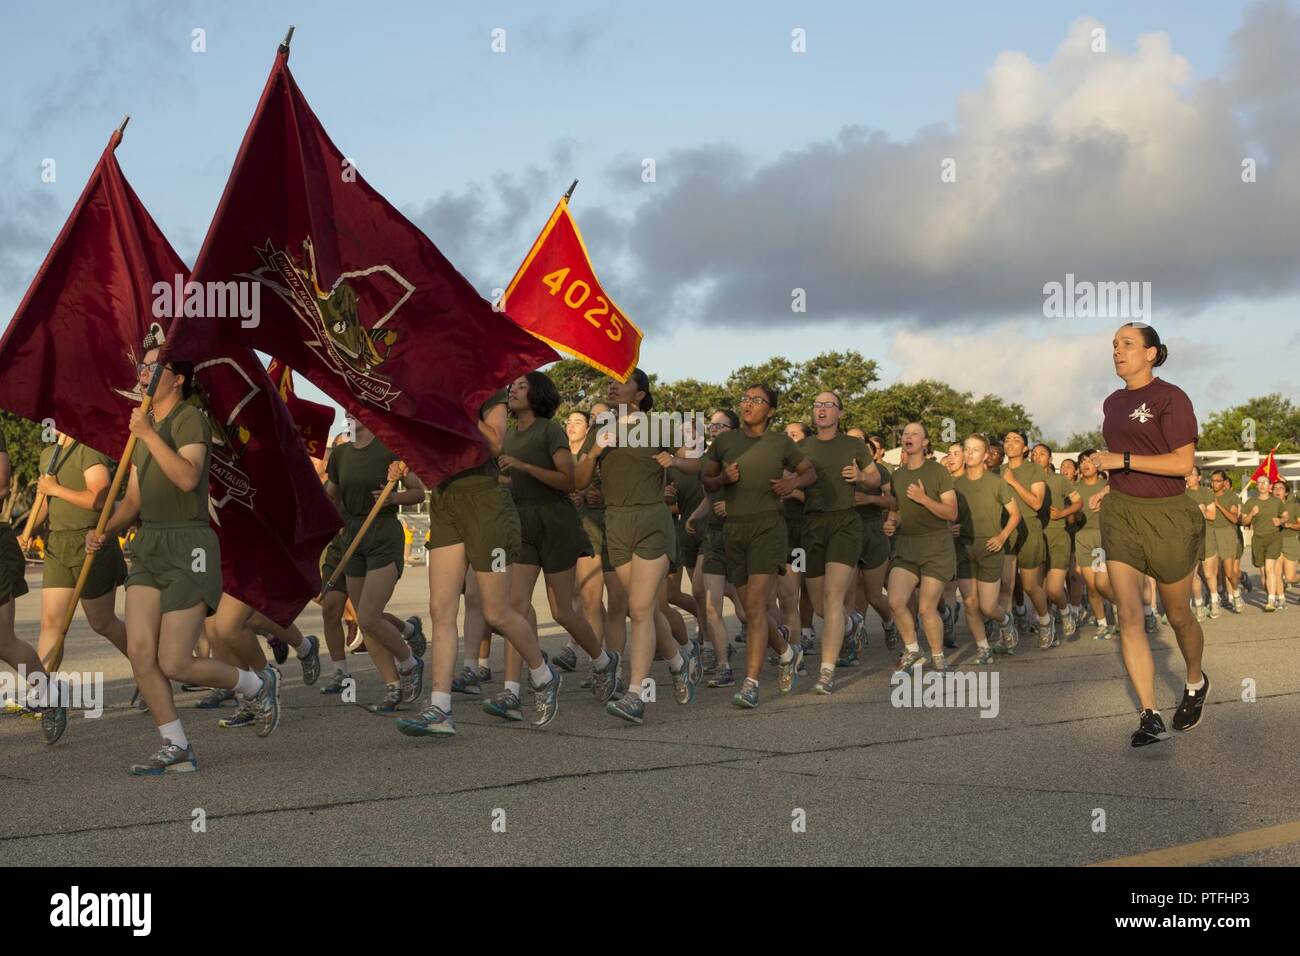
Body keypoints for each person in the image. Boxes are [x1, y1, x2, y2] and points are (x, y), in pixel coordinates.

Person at [87, 348, 279, 774]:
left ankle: (255, 682)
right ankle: (176, 746)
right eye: (143, 365)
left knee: (175, 662)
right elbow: (134, 498)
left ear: (178, 380)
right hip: (149, 542)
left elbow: (189, 476)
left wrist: (150, 436)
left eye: (156, 366)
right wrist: (106, 529)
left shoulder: (190, 418)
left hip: (188, 543)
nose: (145, 372)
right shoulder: (144, 428)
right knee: (140, 653)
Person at [397, 388, 561, 738]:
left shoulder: (488, 391)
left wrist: (457, 407)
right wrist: (406, 460)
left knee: (496, 612)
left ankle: (543, 673)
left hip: (487, 504)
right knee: (440, 609)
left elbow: (497, 443)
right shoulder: (427, 390)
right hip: (445, 500)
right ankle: (440, 707)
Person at [1090, 323, 1207, 746]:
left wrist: (1121, 459)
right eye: (1114, 346)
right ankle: (1150, 714)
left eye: (1127, 344)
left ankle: (1194, 682)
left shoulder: (1170, 397)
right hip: (1122, 515)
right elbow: (1131, 465)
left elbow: (1180, 464)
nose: (1117, 352)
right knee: (1129, 614)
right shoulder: (1112, 402)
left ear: (1151, 353)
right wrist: (1112, 483)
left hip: (1168, 517)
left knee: (1177, 614)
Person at [572, 370, 698, 724]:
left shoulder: (661, 425)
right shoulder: (600, 429)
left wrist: (674, 461)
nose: (611, 384)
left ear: (640, 394)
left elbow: (696, 463)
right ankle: (678, 661)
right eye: (609, 379)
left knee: (641, 608)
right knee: (640, 610)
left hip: (652, 522)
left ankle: (635, 695)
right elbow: (578, 481)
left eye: (621, 380)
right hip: (616, 523)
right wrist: (596, 450)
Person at [491, 372, 620, 715]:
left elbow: (567, 480)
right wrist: (499, 480)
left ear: (537, 394)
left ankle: (604, 661)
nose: (513, 390)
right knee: (514, 607)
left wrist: (523, 466)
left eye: (521, 386)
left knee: (562, 610)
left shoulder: (549, 430)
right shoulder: (507, 435)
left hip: (556, 522)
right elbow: (510, 478)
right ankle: (511, 691)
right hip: (522, 523)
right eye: (512, 387)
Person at [700, 384, 814, 708]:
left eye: (757, 400)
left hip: (769, 529)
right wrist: (722, 480)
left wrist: (791, 483)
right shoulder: (724, 442)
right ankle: (788, 653)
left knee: (757, 605)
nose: (748, 404)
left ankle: (750, 684)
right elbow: (706, 481)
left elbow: (810, 473)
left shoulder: (780, 442)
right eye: (745, 399)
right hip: (733, 531)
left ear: (771, 410)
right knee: (753, 611)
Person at [17, 433, 130, 743]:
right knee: (50, 623)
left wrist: (55, 488)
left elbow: (100, 498)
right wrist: (31, 527)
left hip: (90, 542)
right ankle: (44, 694)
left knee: (102, 622)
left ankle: (149, 669)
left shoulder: (89, 449)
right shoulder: (47, 454)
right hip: (58, 544)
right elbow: (46, 502)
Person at [323, 417, 426, 714]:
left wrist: (393, 497)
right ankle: (392, 685)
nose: (350, 414)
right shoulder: (340, 453)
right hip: (352, 537)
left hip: (382, 534)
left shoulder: (389, 449)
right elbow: (331, 495)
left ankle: (409, 662)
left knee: (367, 616)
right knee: (367, 621)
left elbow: (418, 492)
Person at [797, 392, 879, 694]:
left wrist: (859, 475)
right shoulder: (802, 447)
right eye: (817, 404)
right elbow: (788, 478)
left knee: (833, 597)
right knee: (819, 605)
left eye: (828, 405)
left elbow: (874, 480)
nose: (821, 409)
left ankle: (826, 672)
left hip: (845, 522)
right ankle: (851, 622)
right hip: (812, 525)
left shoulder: (853, 445)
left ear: (840, 413)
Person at [883, 422, 959, 672]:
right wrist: (891, 523)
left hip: (936, 546)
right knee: (895, 601)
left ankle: (938, 656)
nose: (908, 436)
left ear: (925, 443)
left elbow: (951, 512)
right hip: (907, 546)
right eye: (905, 433)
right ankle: (914, 650)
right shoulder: (898, 474)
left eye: (915, 433)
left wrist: (924, 498)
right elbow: (896, 510)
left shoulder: (938, 472)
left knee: (926, 608)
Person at [952, 434, 1021, 664]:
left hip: (990, 547)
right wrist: (950, 527)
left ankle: (1005, 620)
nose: (969, 453)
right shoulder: (955, 484)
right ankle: (983, 649)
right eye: (967, 449)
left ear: (984, 455)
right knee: (970, 602)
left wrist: (1002, 536)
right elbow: (949, 515)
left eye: (975, 450)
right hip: (963, 546)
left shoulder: (996, 482)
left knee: (988, 606)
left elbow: (1015, 515)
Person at [1001, 430, 1053, 644]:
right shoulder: (997, 471)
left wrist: (1013, 482)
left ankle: (1045, 621)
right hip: (1005, 529)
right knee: (1006, 585)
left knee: (1031, 586)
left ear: (1025, 448)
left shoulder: (1034, 470)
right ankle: (1007, 632)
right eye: (1007, 440)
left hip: (1029, 527)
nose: (1011, 444)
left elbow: (1037, 503)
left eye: (1016, 440)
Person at [1033, 443, 1082, 642]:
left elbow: (1079, 503)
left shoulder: (1060, 480)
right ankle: (1048, 626)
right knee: (1038, 589)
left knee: (1053, 589)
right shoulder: (1025, 480)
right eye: (1034, 454)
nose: (1037, 457)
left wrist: (1063, 513)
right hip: (1034, 537)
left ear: (1050, 459)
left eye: (1042, 454)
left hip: (1057, 537)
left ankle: (1065, 611)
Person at [1071, 450, 1114, 639]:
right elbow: (1069, 519)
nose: (1086, 464)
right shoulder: (1074, 489)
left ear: (1097, 464)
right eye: (1082, 461)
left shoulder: (1107, 486)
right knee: (1092, 587)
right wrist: (1074, 516)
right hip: (1083, 539)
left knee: (1102, 583)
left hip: (1103, 538)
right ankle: (1102, 623)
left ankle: (1122, 608)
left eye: (1090, 460)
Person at [1240, 477, 1287, 611]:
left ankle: (1271, 601)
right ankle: (1273, 596)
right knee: (1263, 572)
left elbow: (1285, 515)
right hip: (1258, 539)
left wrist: (1281, 520)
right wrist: (1251, 513)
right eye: (1259, 483)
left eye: (1265, 483)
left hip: (1274, 537)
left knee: (1269, 568)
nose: (1262, 485)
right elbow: (1244, 522)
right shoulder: (1251, 502)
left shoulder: (1276, 501)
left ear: (1269, 486)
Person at [1208, 470, 1245, 613]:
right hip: (1210, 533)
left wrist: (1218, 506)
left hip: (1226, 533)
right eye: (1212, 480)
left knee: (1229, 573)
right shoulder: (1208, 495)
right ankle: (1214, 600)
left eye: (1217, 480)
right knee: (1211, 572)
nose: (1214, 483)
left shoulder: (1231, 497)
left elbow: (1234, 519)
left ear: (1224, 482)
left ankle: (1235, 594)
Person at [1277, 480, 1300, 600]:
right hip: (1274, 542)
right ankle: (1281, 600)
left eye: (1280, 488)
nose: (1277, 490)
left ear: (1286, 493)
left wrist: (1289, 525)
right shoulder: (1269, 506)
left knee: (1290, 577)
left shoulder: (1294, 506)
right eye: (1275, 488)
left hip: (1290, 541)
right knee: (1276, 574)